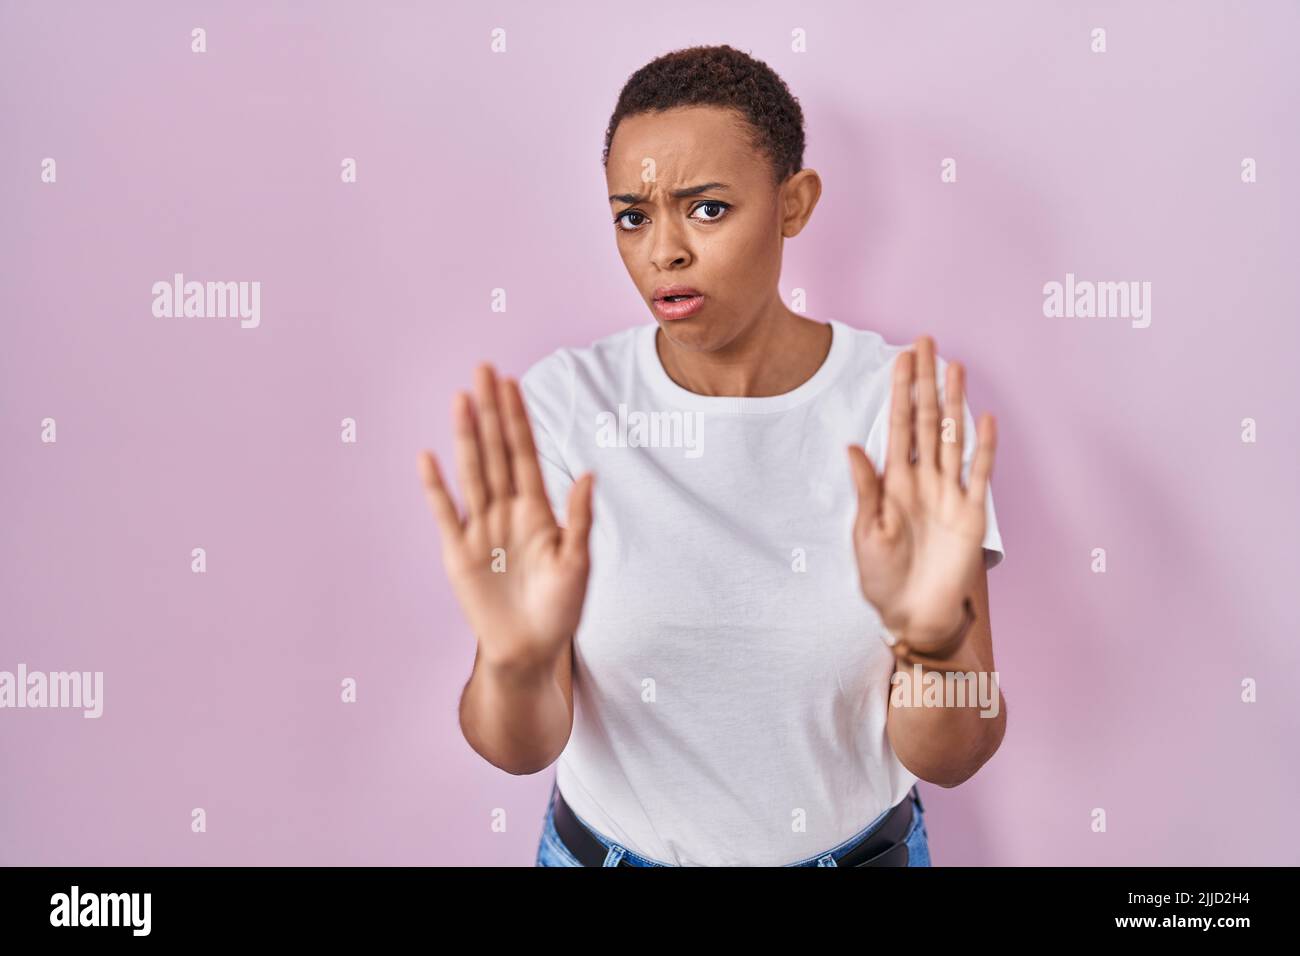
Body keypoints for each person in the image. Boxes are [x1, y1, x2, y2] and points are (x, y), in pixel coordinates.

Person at [418, 44, 1006, 867]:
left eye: (706, 209)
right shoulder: (564, 408)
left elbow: (957, 752)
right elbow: (519, 748)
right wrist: (514, 667)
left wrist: (940, 647)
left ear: (793, 203)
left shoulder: (901, 407)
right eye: (633, 215)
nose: (664, 251)